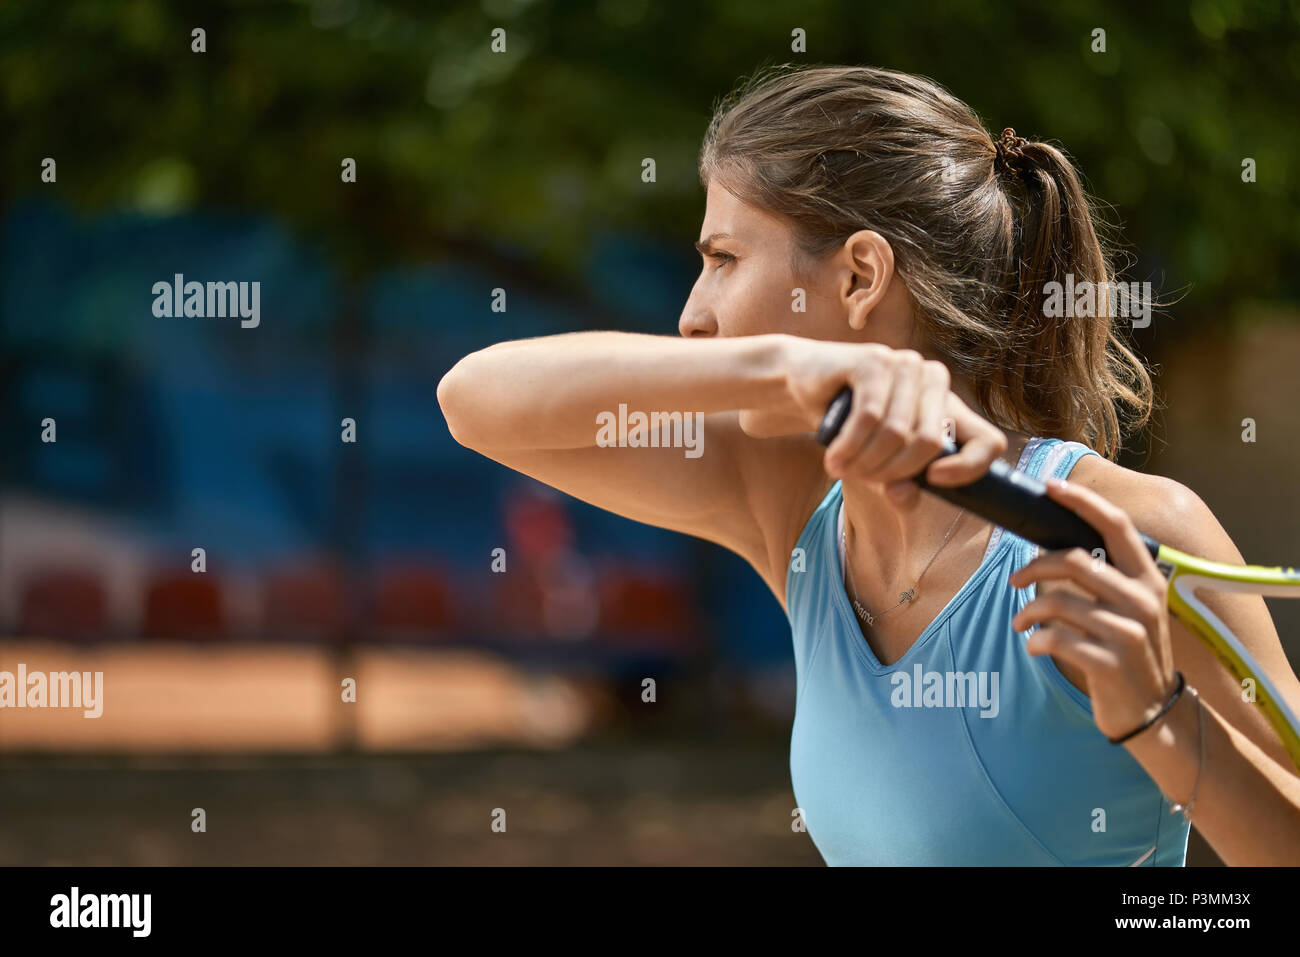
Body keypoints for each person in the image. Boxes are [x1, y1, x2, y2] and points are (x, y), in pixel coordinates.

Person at [438, 64, 1300, 864]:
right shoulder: (791, 504)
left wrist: (1162, 721)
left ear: (858, 278)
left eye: (723, 260)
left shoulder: (1126, 529)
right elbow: (474, 401)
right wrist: (790, 371)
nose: (692, 317)